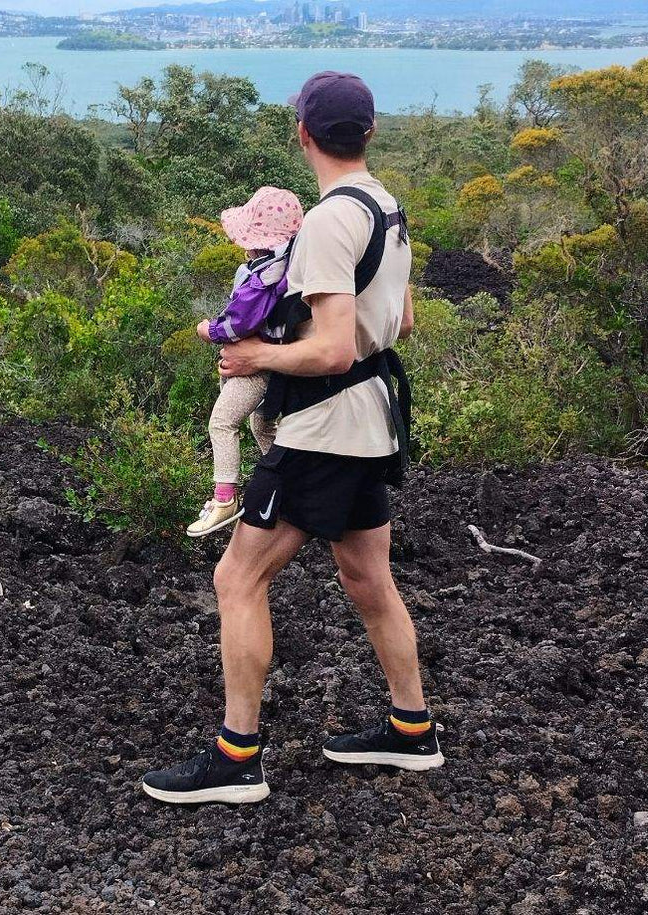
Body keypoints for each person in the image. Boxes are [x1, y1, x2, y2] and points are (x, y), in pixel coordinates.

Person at [142, 72, 441, 805]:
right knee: (368, 577)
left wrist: (255, 357)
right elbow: (401, 322)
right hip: (371, 422)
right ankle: (411, 729)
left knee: (237, 578)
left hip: (324, 427)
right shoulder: (387, 207)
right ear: (370, 131)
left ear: (302, 133)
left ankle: (236, 757)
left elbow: (332, 350)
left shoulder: (328, 223)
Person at [186, 186, 303, 538]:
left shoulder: (262, 282)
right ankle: (292, 484)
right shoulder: (286, 268)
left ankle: (224, 498)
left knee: (222, 423)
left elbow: (239, 324)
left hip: (257, 368)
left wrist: (209, 330)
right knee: (262, 425)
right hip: (275, 363)